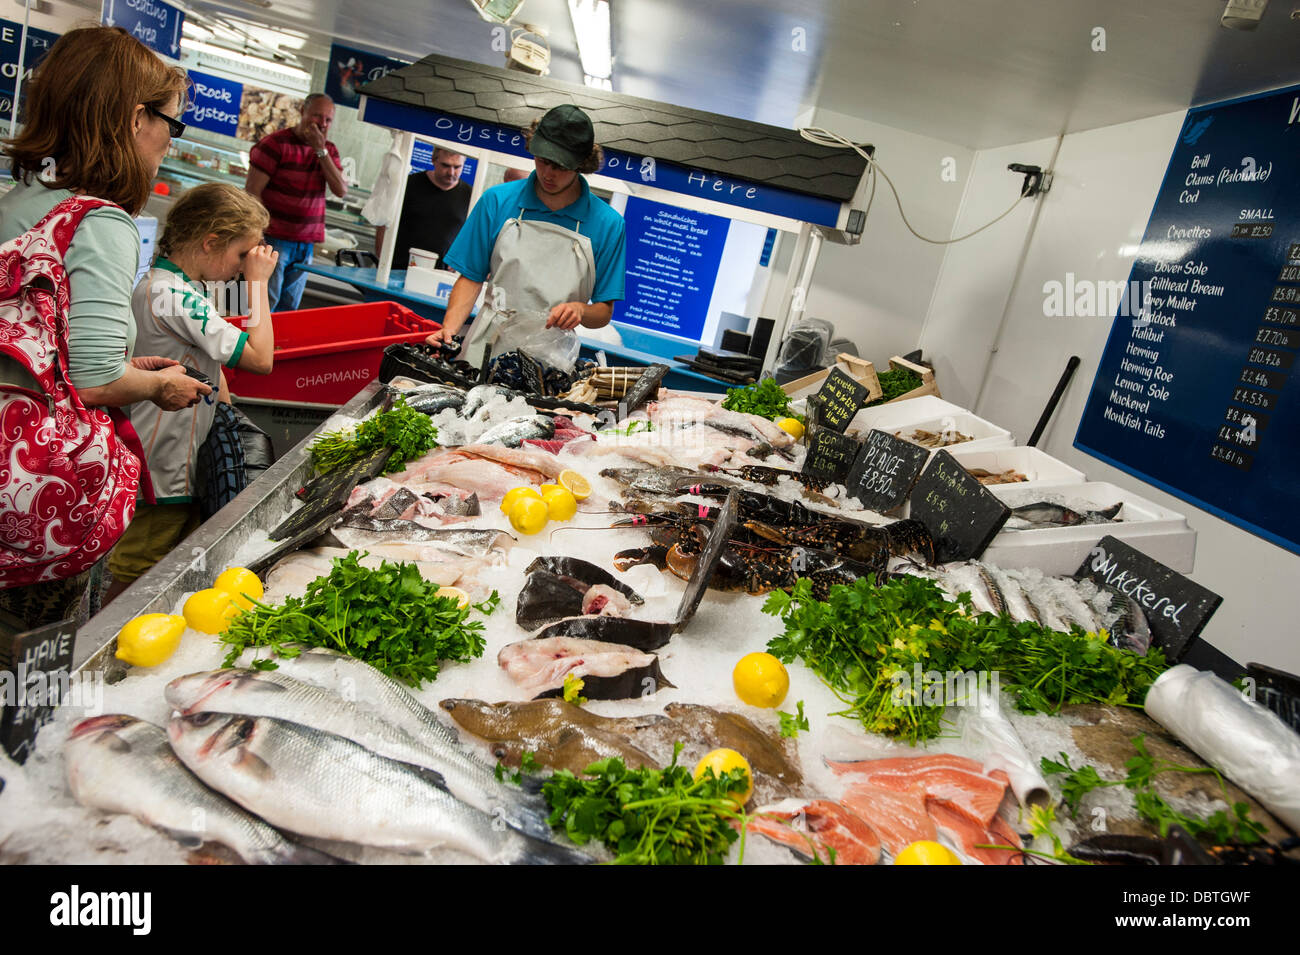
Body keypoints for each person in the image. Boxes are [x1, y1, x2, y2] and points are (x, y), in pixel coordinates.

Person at [0, 26, 211, 628]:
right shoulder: (99, 222)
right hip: (29, 500)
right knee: (23, 679)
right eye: (172, 122)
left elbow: (42, 344)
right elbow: (91, 380)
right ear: (131, 119)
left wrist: (124, 364)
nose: (171, 140)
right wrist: (155, 386)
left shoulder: (18, 200)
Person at [106, 184, 278, 591]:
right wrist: (258, 286)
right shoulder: (172, 295)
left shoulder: (180, 288)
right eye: (241, 255)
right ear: (210, 242)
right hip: (160, 465)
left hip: (174, 460)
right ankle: (105, 646)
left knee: (165, 569)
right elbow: (260, 358)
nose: (242, 268)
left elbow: (212, 366)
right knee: (139, 575)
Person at [426, 105, 626, 366]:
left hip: (552, 357)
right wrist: (449, 330)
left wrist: (581, 310)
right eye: (543, 160)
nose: (548, 174)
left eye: (560, 166)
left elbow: (603, 312)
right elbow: (471, 278)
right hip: (486, 347)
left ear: (581, 164)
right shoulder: (497, 201)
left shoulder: (608, 224)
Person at [245, 93, 347, 311]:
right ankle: (254, 344)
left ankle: (278, 346)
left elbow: (340, 190)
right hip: (274, 239)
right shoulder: (275, 144)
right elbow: (252, 192)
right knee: (264, 303)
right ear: (302, 112)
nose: (322, 124)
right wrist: (257, 235)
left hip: (306, 244)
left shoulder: (329, 151)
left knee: (289, 307)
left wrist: (320, 150)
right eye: (317, 116)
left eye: (328, 120)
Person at [374, 148, 471, 269]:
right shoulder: (408, 184)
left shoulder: (470, 196)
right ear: (433, 160)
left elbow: (472, 236)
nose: (451, 172)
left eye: (457, 167)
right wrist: (382, 256)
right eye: (445, 165)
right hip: (399, 267)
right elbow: (384, 220)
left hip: (441, 272)